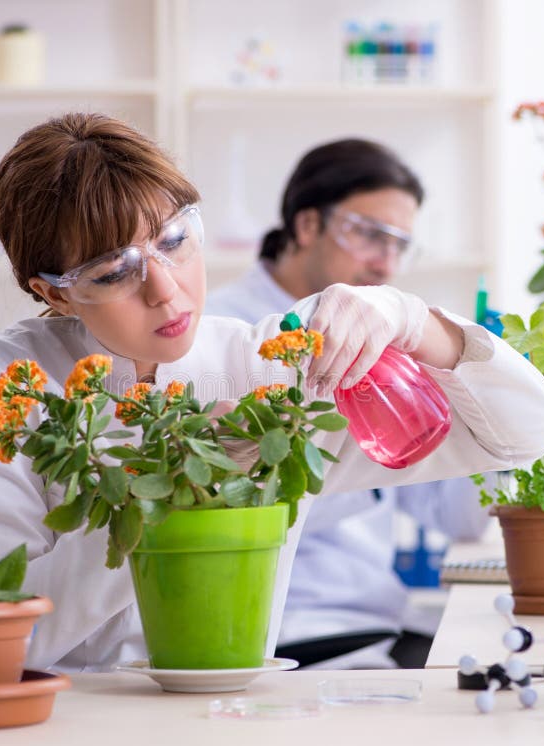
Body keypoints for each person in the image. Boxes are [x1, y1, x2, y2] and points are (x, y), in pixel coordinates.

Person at [0, 113, 544, 674]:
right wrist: (178, 485)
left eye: (175, 243)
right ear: (54, 292)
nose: (166, 291)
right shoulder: (4, 380)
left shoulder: (259, 365)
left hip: (235, 708)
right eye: (114, 272)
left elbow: (526, 431)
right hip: (68, 716)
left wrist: (412, 321)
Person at [207, 138, 492, 668]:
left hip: (378, 624)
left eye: (401, 244)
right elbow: (222, 507)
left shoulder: (377, 339)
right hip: (285, 639)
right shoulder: (220, 336)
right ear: (307, 225)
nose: (386, 262)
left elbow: (458, 518)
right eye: (370, 234)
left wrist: (488, 410)